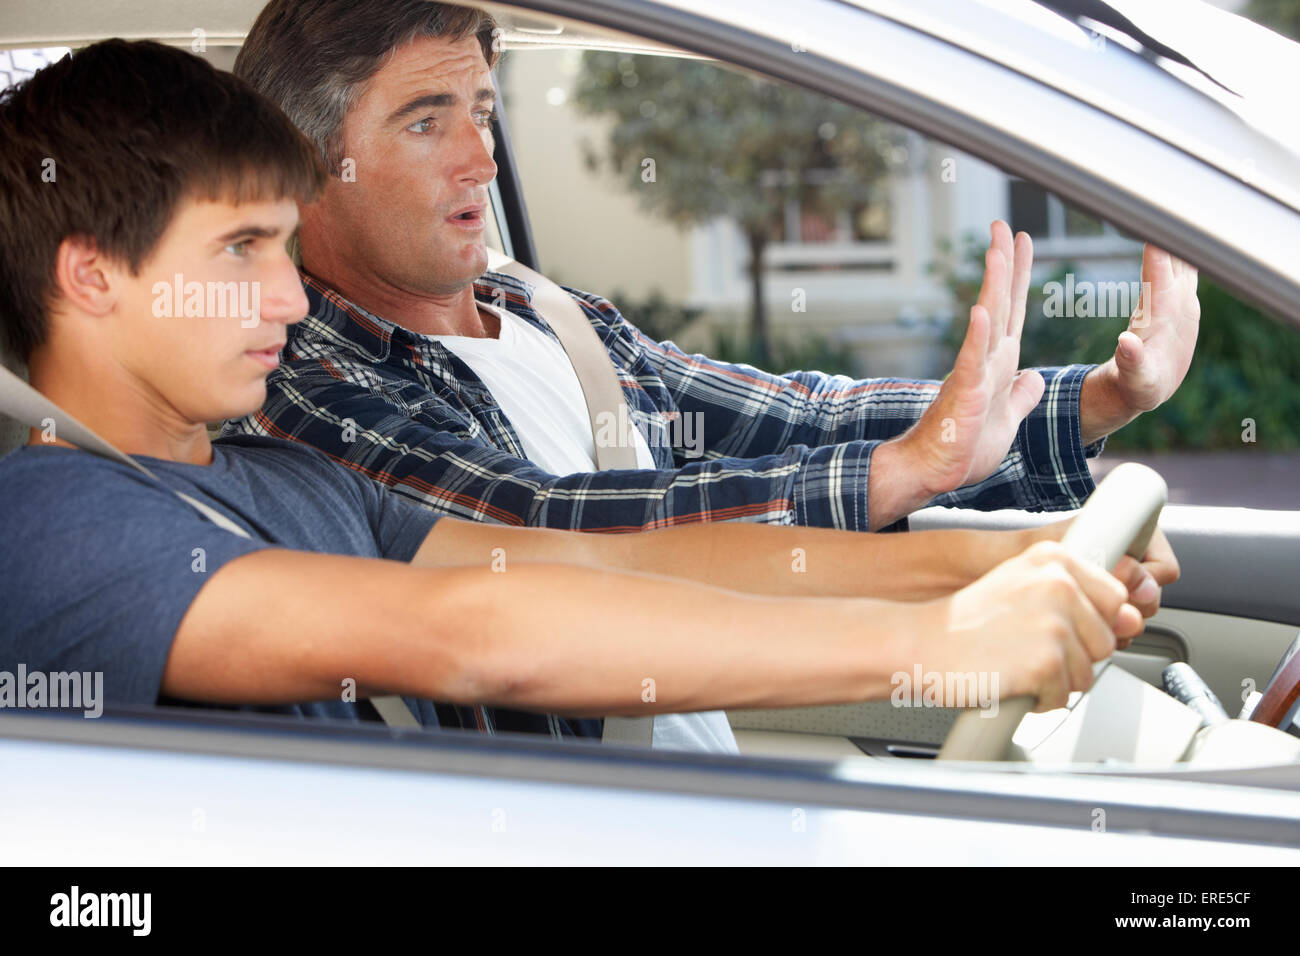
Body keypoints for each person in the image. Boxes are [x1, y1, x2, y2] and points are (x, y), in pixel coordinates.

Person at [0, 41, 1173, 752]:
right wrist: (931, 645)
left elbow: (595, 563)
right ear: (90, 274)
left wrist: (989, 565)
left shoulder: (289, 482)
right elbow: (470, 638)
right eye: (242, 251)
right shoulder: (51, 522)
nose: (291, 301)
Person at [226, 0, 1201, 539]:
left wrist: (1095, 401)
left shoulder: (542, 311)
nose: (479, 158)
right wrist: (893, 476)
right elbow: (543, 527)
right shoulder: (303, 381)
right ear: (305, 162)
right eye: (426, 119)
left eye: (482, 111)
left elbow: (789, 416)